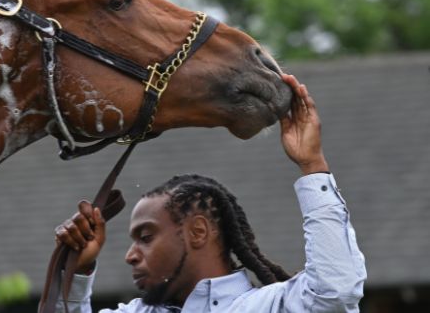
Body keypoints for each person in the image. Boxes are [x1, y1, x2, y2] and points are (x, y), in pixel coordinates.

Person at [54, 74, 366, 312]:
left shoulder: (270, 306)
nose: (130, 255)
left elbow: (334, 292)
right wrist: (78, 269)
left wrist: (312, 165)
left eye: (146, 237)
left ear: (198, 232)